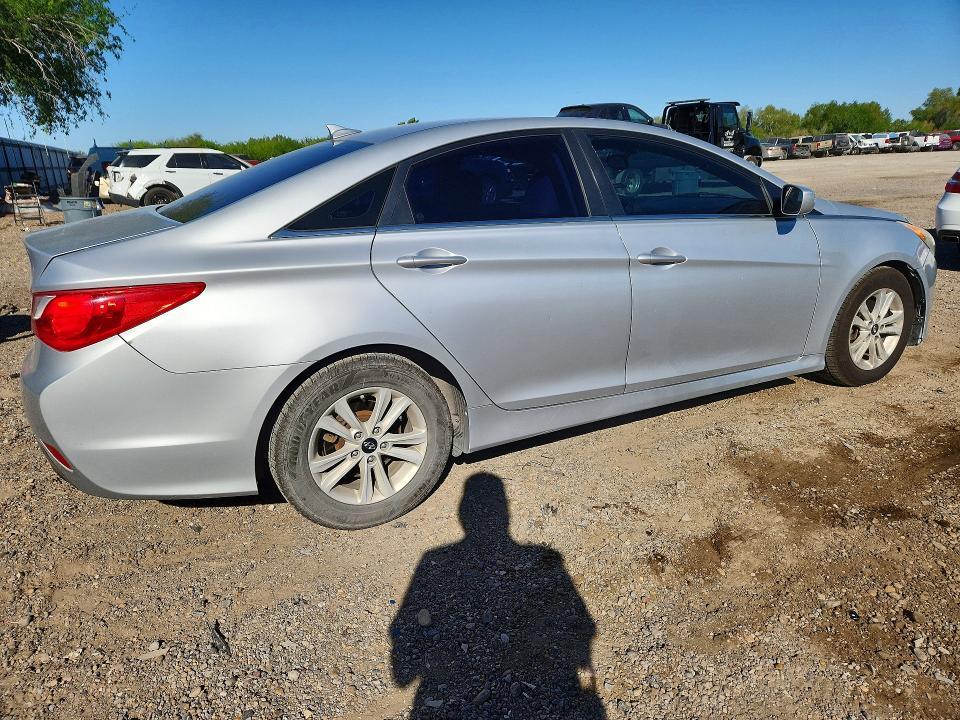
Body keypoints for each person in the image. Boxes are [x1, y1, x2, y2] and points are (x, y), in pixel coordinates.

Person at [389, 473, 605, 719]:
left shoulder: (433, 560)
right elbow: (585, 628)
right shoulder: (547, 558)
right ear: (507, 513)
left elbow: (402, 670)